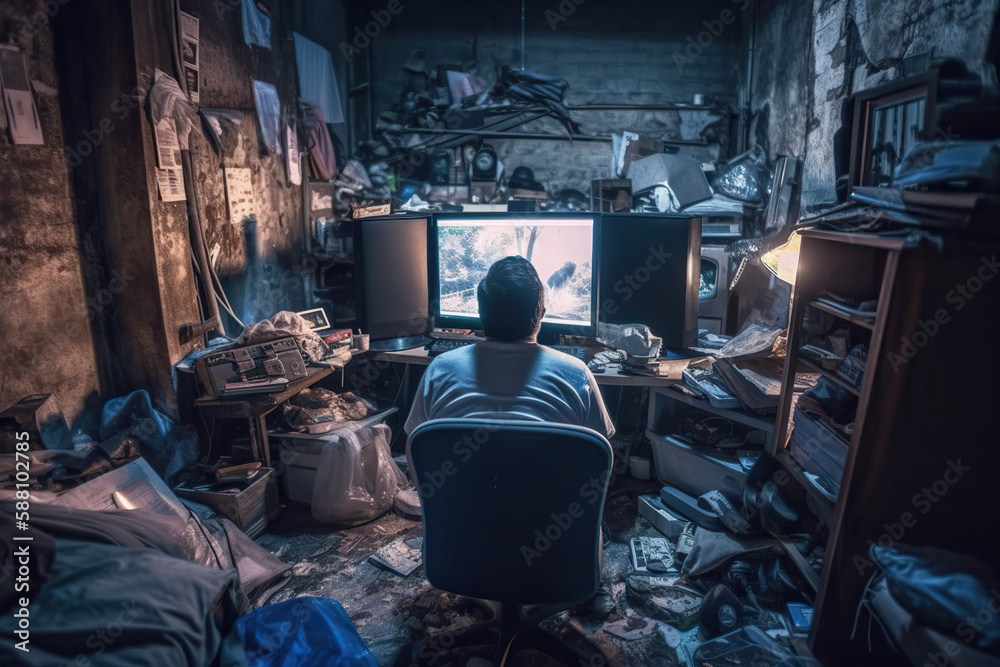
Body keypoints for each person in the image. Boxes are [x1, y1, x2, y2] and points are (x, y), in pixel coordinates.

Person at [401, 255, 616, 616]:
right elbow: (600, 467)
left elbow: (417, 464)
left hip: (460, 557)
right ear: (542, 311)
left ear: (480, 311)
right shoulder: (577, 375)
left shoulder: (439, 371)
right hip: (558, 563)